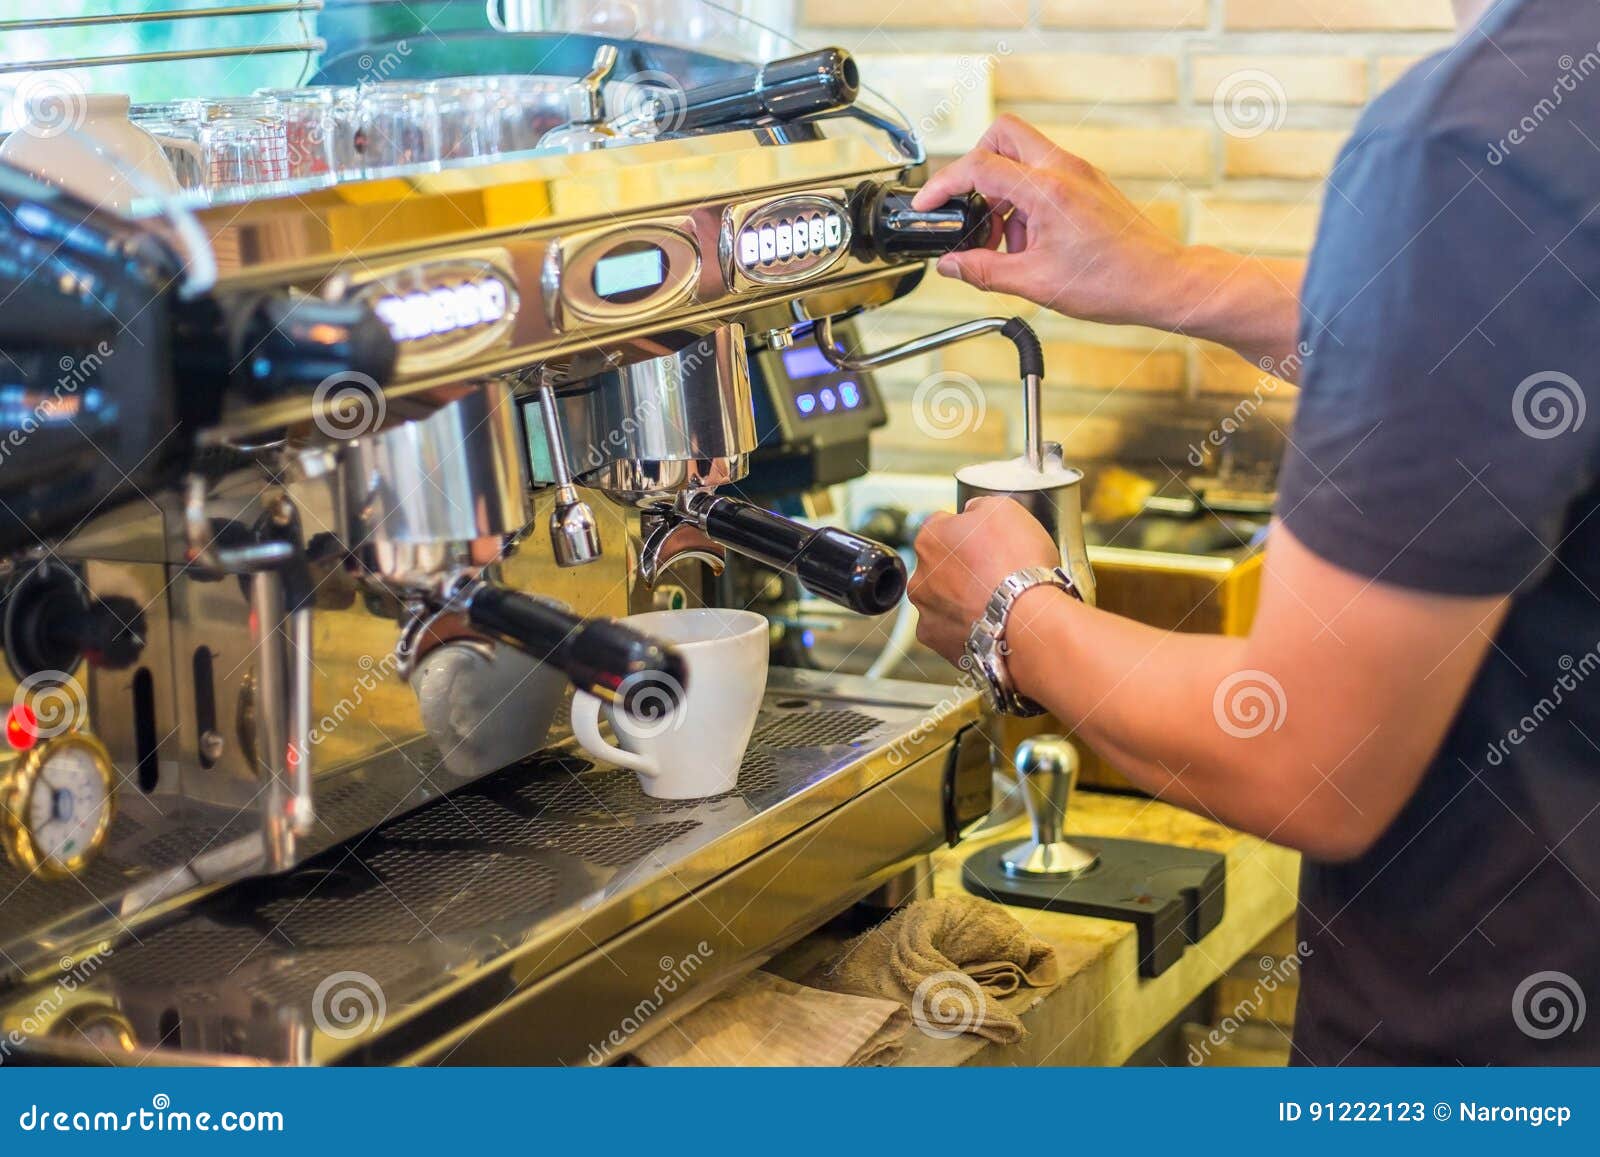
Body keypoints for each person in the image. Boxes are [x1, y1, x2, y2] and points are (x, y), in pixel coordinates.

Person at [906, 0, 1600, 1064]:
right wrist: (1172, 276)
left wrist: (1011, 613)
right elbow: (1508, 330)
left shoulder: (1474, 138)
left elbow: (1306, 754)